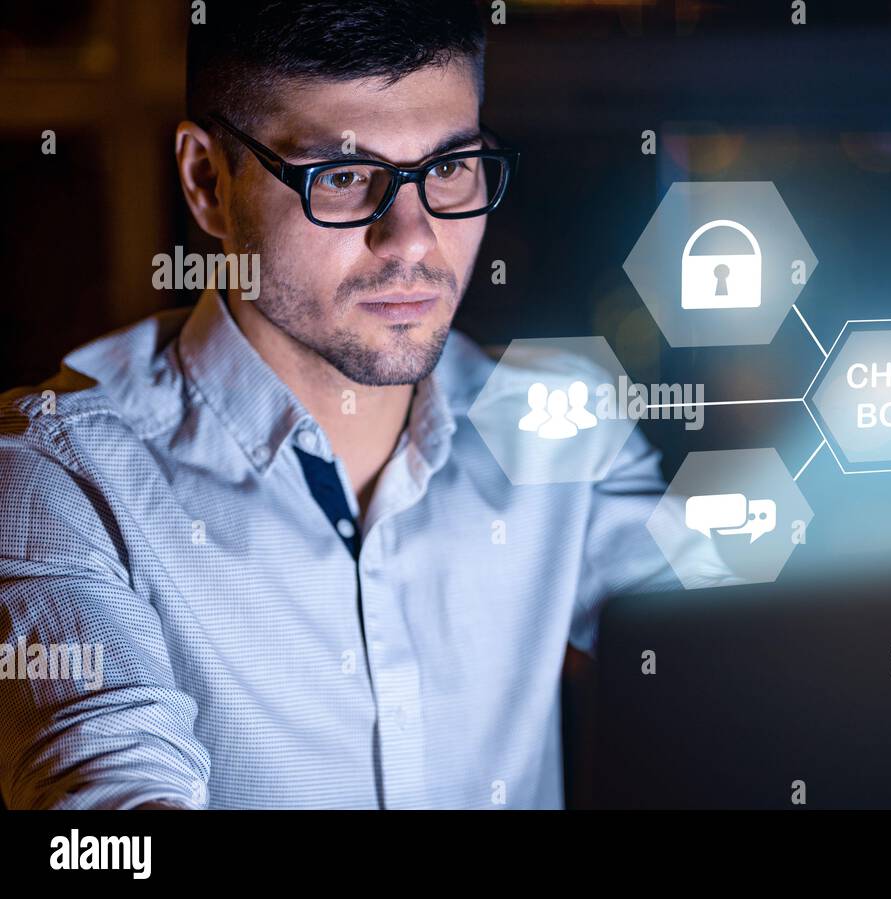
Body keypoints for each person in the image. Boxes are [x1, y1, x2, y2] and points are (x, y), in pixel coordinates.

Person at [0, 1, 715, 810]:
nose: (411, 239)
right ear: (207, 182)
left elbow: (735, 659)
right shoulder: (58, 477)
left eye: (448, 168)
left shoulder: (562, 428)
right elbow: (106, 799)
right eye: (341, 176)